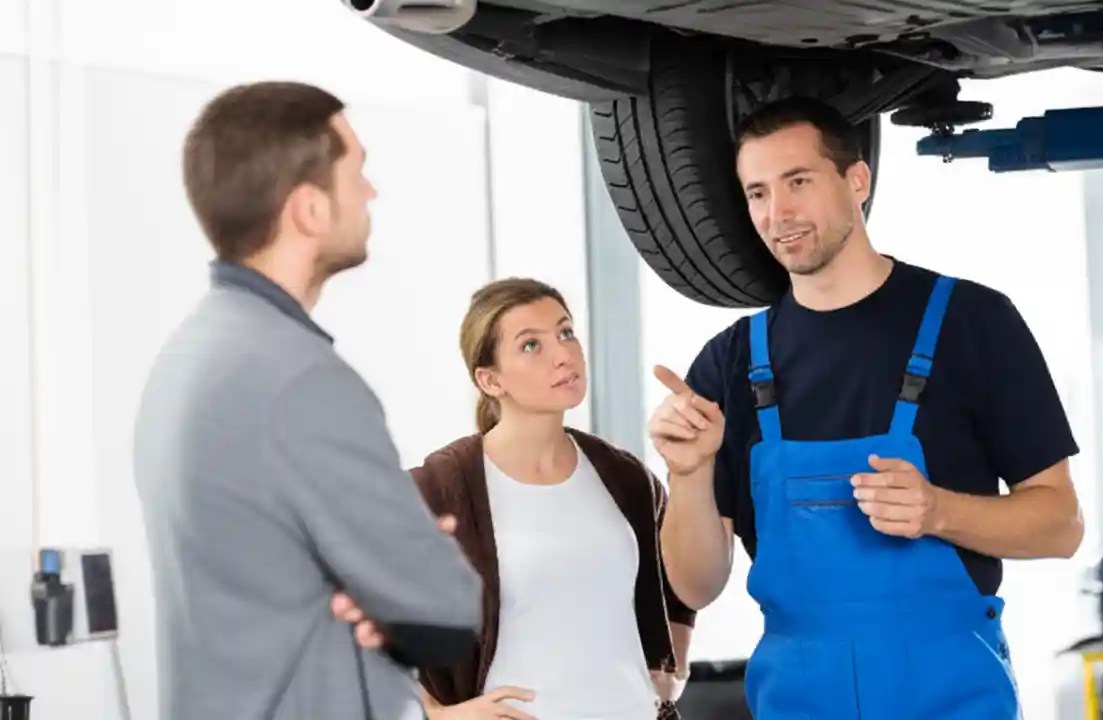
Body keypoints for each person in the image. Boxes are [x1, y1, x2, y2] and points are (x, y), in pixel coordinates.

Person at [648, 96, 1085, 719]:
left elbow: (1061, 525)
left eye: (798, 182)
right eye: (758, 193)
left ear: (857, 180)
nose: (779, 214)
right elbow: (695, 585)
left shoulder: (973, 322)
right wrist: (688, 477)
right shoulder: (730, 363)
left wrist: (937, 510)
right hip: (798, 700)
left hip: (951, 698)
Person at [133, 81, 482, 720]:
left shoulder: (186, 358)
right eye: (358, 172)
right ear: (309, 210)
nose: (371, 192)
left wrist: (386, 575)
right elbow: (444, 610)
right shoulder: (300, 381)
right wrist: (406, 566)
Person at [336, 277, 697, 719]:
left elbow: (676, 590)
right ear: (490, 380)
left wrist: (668, 671)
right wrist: (438, 715)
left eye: (566, 333)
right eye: (531, 345)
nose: (563, 353)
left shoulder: (625, 477)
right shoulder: (439, 490)